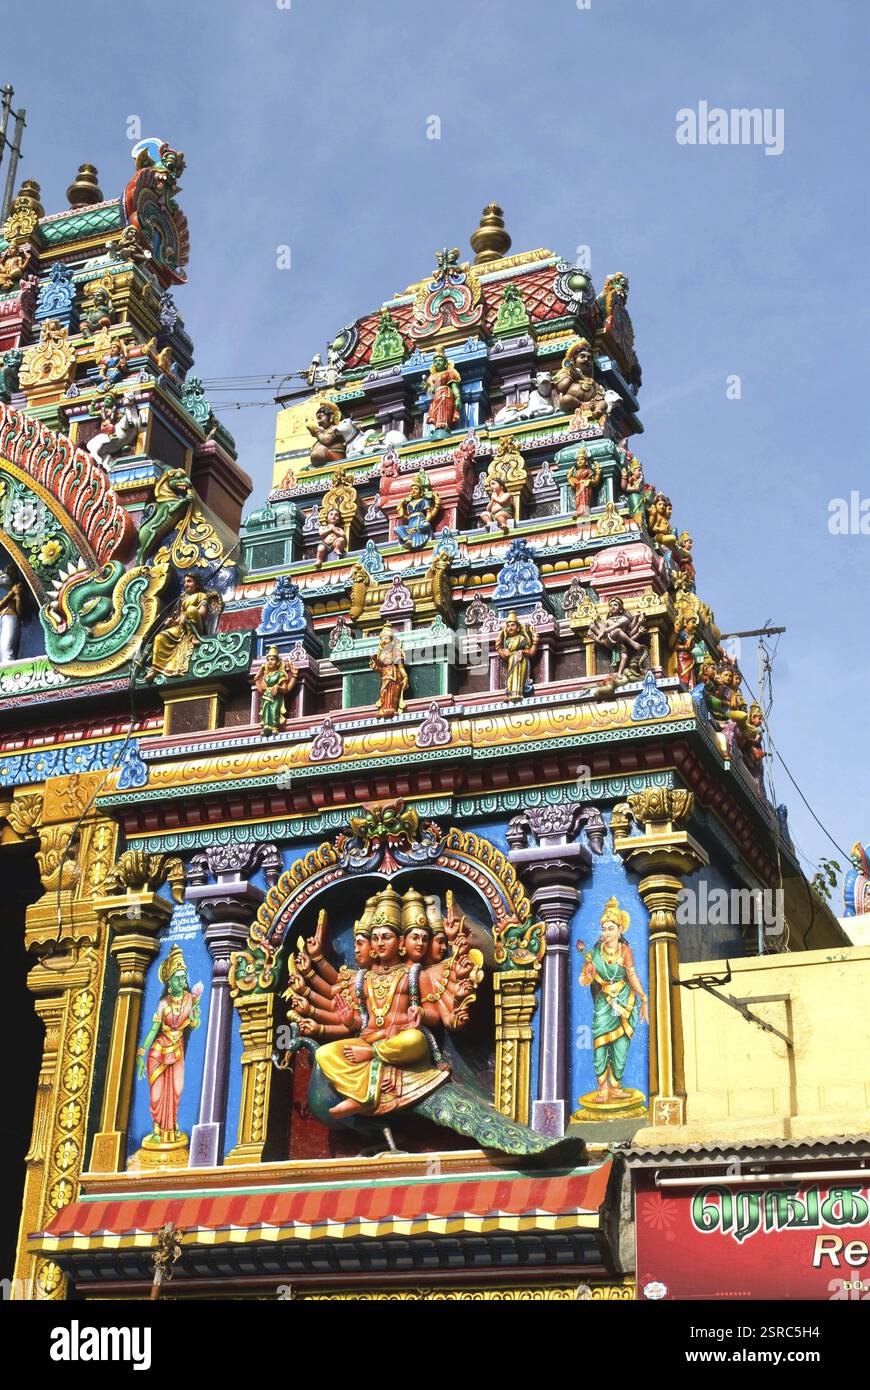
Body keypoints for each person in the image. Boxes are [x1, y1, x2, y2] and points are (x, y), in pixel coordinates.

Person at [578, 898, 647, 1104]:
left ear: (620, 930)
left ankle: (615, 1087)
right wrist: (589, 974)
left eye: (611, 928)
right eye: (604, 928)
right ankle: (603, 1088)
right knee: (600, 1045)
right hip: (603, 1004)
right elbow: (583, 981)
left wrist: (643, 998)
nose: (606, 932)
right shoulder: (593, 954)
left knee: (622, 1044)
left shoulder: (625, 951)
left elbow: (632, 976)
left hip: (625, 1001)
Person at [136, 945, 202, 1144]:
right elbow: (153, 1030)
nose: (183, 981)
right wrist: (140, 1054)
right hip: (158, 1052)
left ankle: (171, 1129)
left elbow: (193, 1024)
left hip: (177, 1051)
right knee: (157, 1094)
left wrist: (194, 1016)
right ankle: (157, 1129)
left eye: (184, 977)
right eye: (178, 978)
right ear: (169, 983)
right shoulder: (163, 1003)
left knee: (176, 1090)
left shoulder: (191, 999)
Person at [145, 574, 211, 680]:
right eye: (185, 582)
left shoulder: (201, 595)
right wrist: (172, 623)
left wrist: (187, 614)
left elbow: (202, 613)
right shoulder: (183, 598)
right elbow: (179, 619)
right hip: (182, 627)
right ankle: (156, 668)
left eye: (189, 581)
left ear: (197, 585)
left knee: (191, 609)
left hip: (194, 624)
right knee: (160, 637)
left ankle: (192, 637)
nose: (186, 584)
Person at [255, 646, 299, 735]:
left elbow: (286, 689)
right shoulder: (266, 676)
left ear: (278, 662)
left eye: (272, 659)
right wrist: (256, 678)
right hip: (266, 697)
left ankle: (274, 726)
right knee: (266, 711)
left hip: (275, 697)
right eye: (268, 660)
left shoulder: (280, 674)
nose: (270, 662)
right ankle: (266, 726)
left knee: (274, 710)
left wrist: (293, 677)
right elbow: (260, 690)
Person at [496, 611, 538, 701]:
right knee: (511, 677)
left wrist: (533, 643)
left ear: (518, 628)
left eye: (513, 625)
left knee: (519, 676)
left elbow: (530, 652)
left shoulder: (521, 639)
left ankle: (518, 693)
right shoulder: (507, 642)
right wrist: (498, 646)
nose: (510, 628)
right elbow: (504, 656)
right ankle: (511, 693)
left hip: (520, 661)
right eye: (508, 626)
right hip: (511, 662)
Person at [370, 624, 409, 717]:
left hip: (394, 676)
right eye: (382, 639)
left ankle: (392, 709)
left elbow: (400, 667)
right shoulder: (381, 654)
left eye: (386, 638)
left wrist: (405, 677)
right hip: (385, 675)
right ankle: (384, 709)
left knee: (392, 693)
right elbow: (381, 669)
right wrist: (375, 661)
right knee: (383, 692)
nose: (384, 641)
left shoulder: (396, 652)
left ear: (391, 640)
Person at [425, 352, 462, 436]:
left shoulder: (449, 373)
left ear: (445, 363)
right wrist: (428, 387)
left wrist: (458, 397)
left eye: (440, 360)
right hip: (436, 396)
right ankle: (437, 428)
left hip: (445, 394)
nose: (437, 362)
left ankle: (445, 426)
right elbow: (431, 391)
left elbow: (454, 386)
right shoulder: (432, 376)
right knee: (436, 411)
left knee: (444, 410)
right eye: (435, 361)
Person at [0, 564, 23, 663]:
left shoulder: (15, 593)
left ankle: (9, 666)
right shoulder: (9, 594)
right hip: (3, 619)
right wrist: (12, 593)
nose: (0, 579)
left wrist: (17, 595)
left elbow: (20, 612)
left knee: (6, 648)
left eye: (3, 577)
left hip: (10, 618)